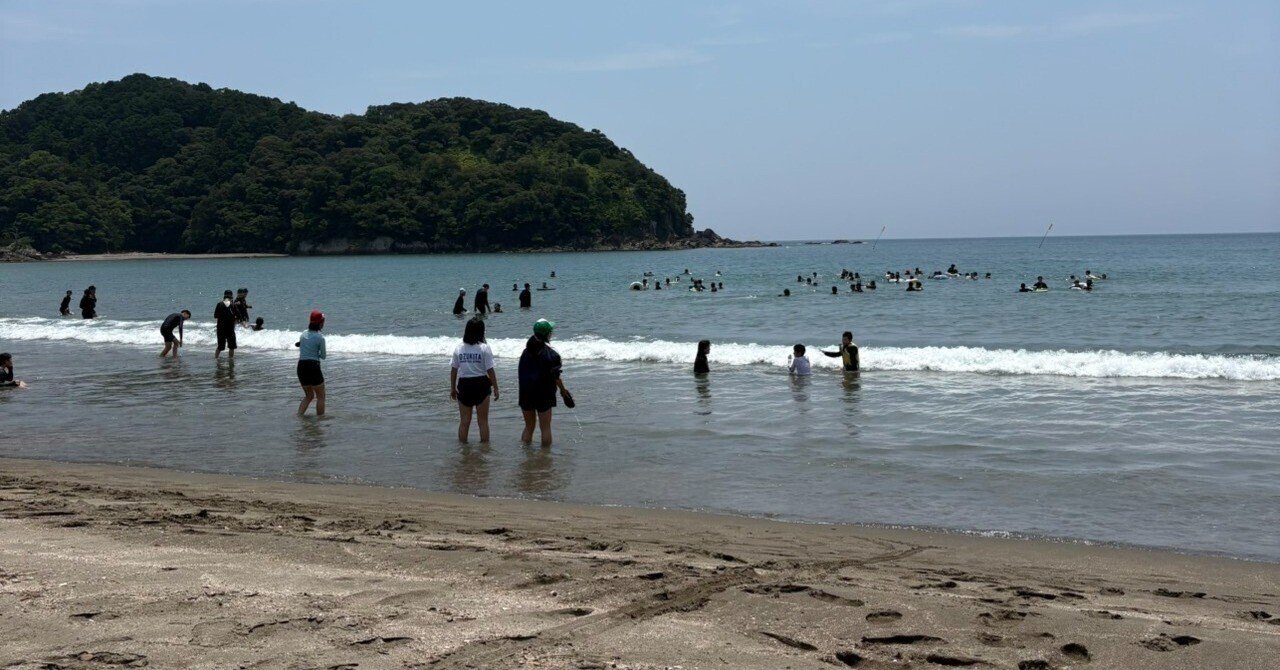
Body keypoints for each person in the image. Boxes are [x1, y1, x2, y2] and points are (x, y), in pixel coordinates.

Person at [518, 319, 571, 447]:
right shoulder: (552, 355)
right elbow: (556, 378)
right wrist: (564, 392)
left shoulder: (525, 352)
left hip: (526, 392)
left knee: (529, 427)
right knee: (545, 428)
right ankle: (545, 459)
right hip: (544, 394)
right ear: (548, 334)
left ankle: (526, 454)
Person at [450, 317, 499, 442]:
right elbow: (490, 370)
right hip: (481, 384)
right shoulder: (484, 348)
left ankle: (463, 450)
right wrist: (496, 388)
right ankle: (484, 449)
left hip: (464, 385)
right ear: (481, 332)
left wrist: (452, 388)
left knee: (464, 421)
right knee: (483, 422)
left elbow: (454, 370)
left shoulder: (459, 348)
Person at [297, 310, 327, 416]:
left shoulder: (303, 334)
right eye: (323, 321)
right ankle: (320, 420)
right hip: (313, 367)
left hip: (301, 366)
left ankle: (299, 416)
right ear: (320, 323)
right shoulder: (320, 338)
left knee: (309, 396)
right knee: (321, 396)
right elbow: (323, 356)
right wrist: (316, 353)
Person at [214, 290, 237, 358]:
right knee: (232, 347)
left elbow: (215, 315)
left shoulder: (219, 304)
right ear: (232, 296)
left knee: (220, 346)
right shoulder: (233, 305)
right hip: (230, 328)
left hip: (221, 328)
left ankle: (216, 360)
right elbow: (237, 316)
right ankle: (231, 362)